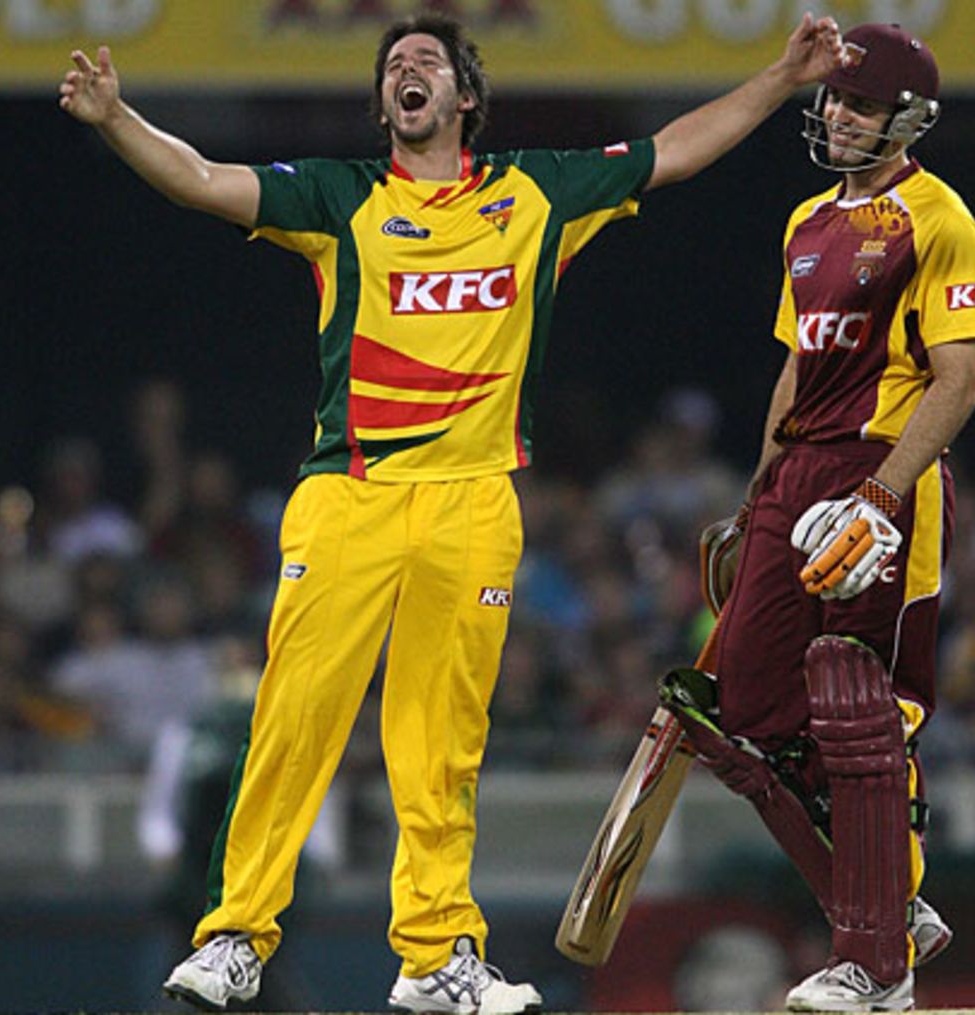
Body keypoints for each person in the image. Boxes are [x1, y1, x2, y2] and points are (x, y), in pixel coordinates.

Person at [58, 12, 844, 1012]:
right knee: (296, 715)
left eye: (427, 61)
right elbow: (208, 180)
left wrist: (780, 80)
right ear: (385, 103)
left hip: (475, 499)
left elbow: (673, 153)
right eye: (393, 66)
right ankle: (233, 936)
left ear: (465, 97)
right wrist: (119, 119)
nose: (407, 71)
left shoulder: (533, 192)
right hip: (352, 492)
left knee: (441, 739)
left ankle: (435, 956)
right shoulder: (340, 197)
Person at [665, 22, 975, 1012]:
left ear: (909, 119)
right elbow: (799, 367)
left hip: (880, 473)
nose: (839, 115)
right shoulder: (807, 222)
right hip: (799, 472)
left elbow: (960, 380)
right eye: (836, 100)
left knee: (862, 709)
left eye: (861, 104)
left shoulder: (941, 221)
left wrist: (885, 495)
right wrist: (757, 492)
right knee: (742, 717)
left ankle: (876, 961)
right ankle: (890, 898)